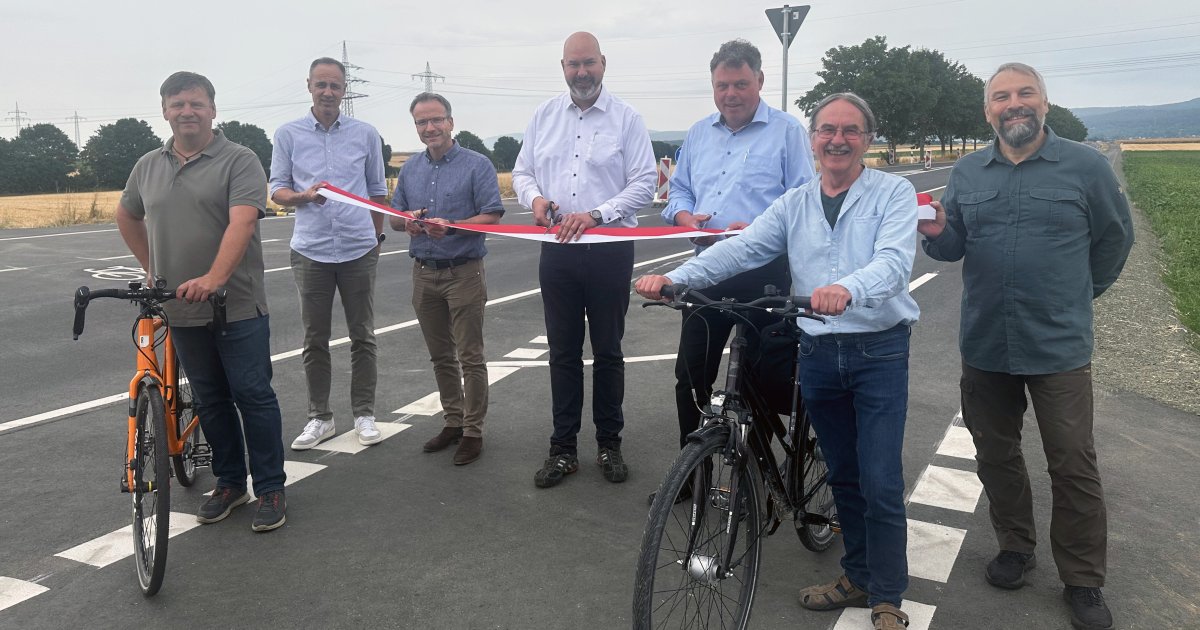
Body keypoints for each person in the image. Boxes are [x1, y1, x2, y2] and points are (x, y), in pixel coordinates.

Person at [637, 93, 918, 630]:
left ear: (868, 138)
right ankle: (856, 575)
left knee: (879, 478)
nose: (837, 139)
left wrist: (844, 288)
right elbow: (740, 249)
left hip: (876, 349)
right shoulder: (796, 202)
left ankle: (886, 593)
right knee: (844, 474)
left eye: (851, 130)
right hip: (817, 349)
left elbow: (893, 263)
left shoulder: (893, 193)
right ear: (813, 138)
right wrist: (678, 279)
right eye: (827, 129)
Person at [919, 62, 1133, 630]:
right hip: (987, 341)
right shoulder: (967, 172)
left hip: (1058, 344)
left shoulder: (1083, 166)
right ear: (987, 110)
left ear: (1044, 101)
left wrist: (1078, 296)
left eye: (1025, 94)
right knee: (995, 454)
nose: (1014, 104)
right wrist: (939, 232)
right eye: (1001, 97)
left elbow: (1114, 239)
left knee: (1072, 462)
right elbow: (954, 246)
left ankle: (1083, 579)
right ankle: (1016, 545)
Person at [116, 71, 287, 532]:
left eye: (195, 103)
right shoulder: (148, 165)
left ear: (212, 108)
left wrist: (214, 277)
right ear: (165, 111)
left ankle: (271, 486)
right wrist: (153, 268)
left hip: (236, 304)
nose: (186, 111)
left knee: (252, 395)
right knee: (209, 400)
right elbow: (127, 213)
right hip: (182, 307)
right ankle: (231, 482)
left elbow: (242, 223)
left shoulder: (239, 159)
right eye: (177, 104)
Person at [660, 39, 814, 473]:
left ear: (759, 81)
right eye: (722, 85)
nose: (731, 94)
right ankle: (692, 474)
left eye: (740, 84)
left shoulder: (787, 131)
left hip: (764, 273)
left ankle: (753, 472)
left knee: (762, 381)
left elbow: (803, 200)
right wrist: (686, 215)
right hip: (707, 269)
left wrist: (763, 230)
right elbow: (680, 191)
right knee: (690, 378)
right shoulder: (698, 133)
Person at [511, 31, 656, 489]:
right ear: (563, 68)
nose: (581, 72)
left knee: (609, 351)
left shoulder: (627, 118)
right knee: (563, 352)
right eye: (573, 65)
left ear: (604, 64)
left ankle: (609, 442)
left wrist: (596, 215)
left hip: (609, 250)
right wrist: (533, 199)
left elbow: (645, 182)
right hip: (557, 252)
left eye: (588, 63)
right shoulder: (544, 116)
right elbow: (522, 172)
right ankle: (563, 448)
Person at [270, 57, 390, 450]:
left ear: (344, 90)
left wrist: (375, 237)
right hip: (311, 250)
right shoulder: (287, 134)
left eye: (335, 85)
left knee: (363, 335)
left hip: (358, 248)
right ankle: (320, 417)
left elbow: (377, 190)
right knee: (314, 338)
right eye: (321, 84)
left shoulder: (365, 134)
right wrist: (303, 197)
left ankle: (364, 414)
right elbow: (277, 190)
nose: (327, 92)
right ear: (308, 86)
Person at [389, 93, 504, 466]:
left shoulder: (477, 165)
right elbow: (392, 217)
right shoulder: (409, 169)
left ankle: (473, 430)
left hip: (463, 271)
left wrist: (452, 226)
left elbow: (492, 215)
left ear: (451, 122)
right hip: (424, 273)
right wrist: (407, 221)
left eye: (436, 120)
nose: (430, 128)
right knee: (440, 356)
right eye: (422, 122)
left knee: (470, 355)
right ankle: (452, 420)